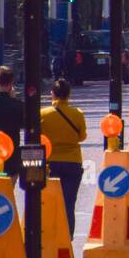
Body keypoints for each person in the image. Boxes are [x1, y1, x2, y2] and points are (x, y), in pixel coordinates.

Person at [40, 78, 87, 237]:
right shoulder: (77, 113)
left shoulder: (43, 114)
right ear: (69, 94)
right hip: (72, 161)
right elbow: (82, 137)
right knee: (69, 202)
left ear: (52, 94)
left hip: (50, 162)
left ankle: (49, 233)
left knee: (48, 201)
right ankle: (67, 236)